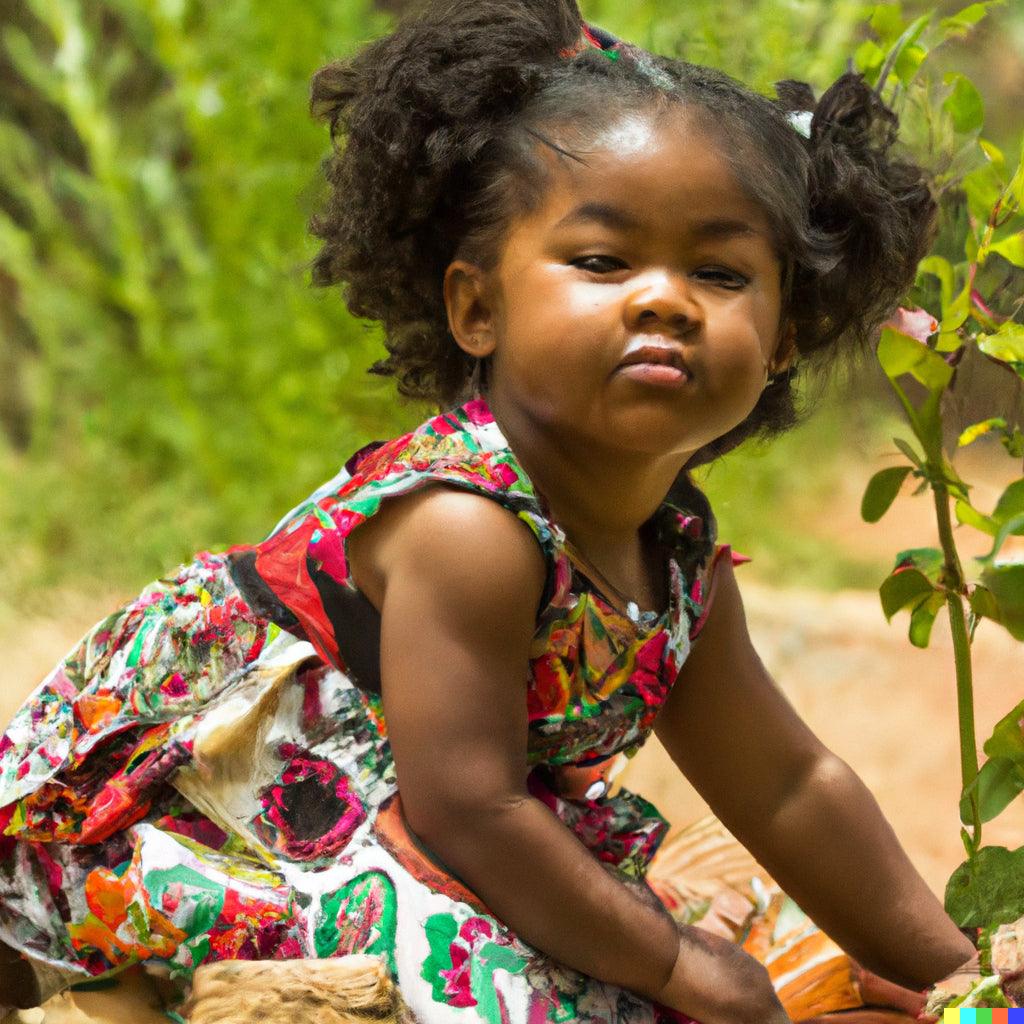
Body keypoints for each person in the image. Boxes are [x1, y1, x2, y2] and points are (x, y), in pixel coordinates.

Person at [0, 1, 981, 1022]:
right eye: (602, 262)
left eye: (720, 273)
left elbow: (787, 783)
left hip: (421, 830)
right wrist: (676, 966)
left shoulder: (677, 564)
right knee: (550, 990)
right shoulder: (466, 523)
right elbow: (470, 807)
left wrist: (960, 975)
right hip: (221, 833)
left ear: (783, 336)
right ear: (476, 308)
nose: (664, 299)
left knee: (734, 933)